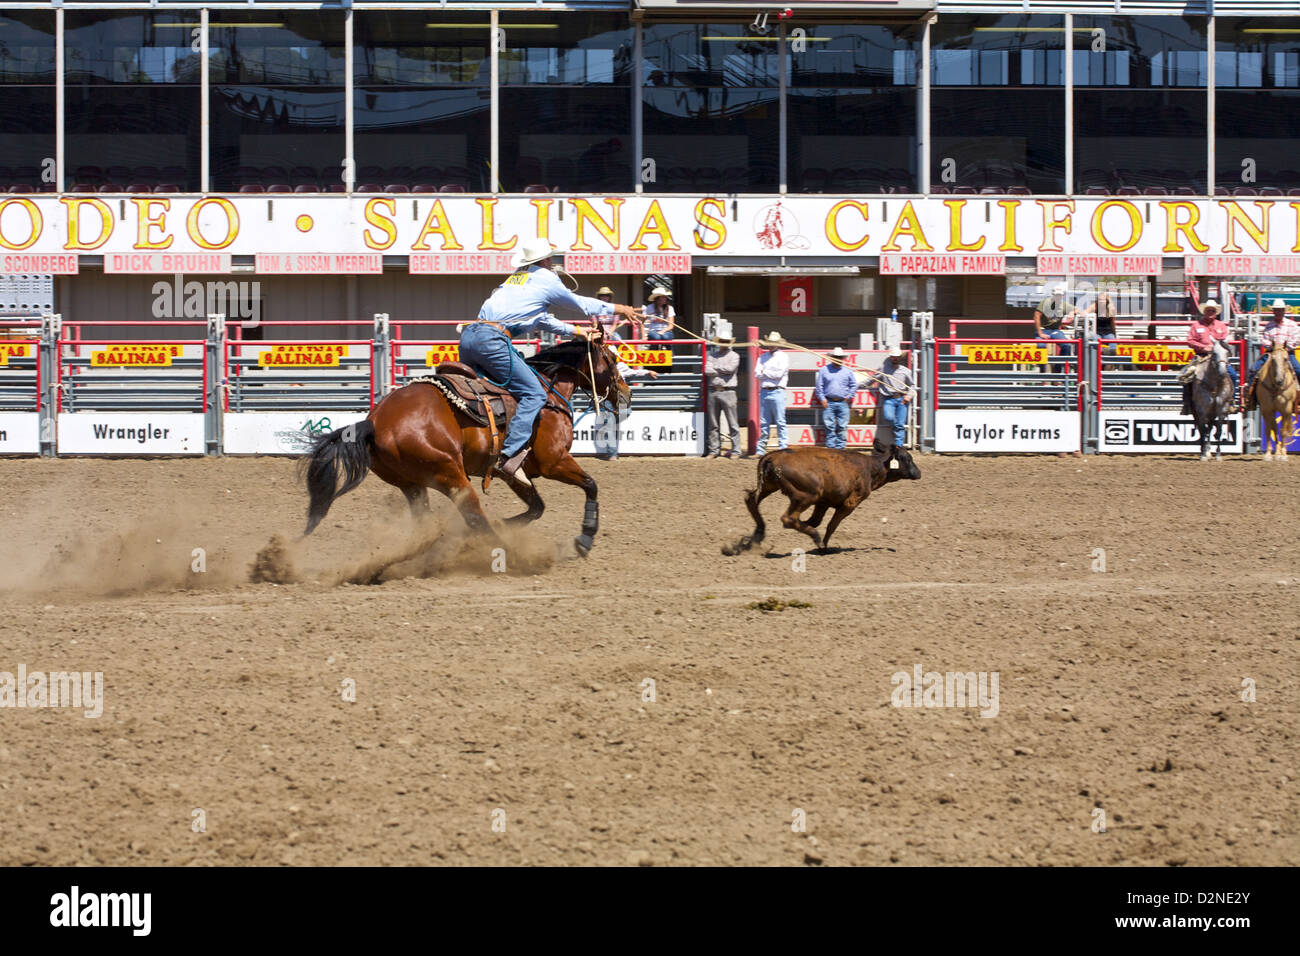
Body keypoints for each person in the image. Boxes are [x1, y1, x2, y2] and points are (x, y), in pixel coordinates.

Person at [461, 237, 642, 480]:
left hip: (469, 338)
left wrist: (578, 331)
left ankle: (477, 441)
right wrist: (619, 309)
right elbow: (581, 304)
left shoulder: (517, 279)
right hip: (491, 342)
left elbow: (543, 320)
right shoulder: (546, 279)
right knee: (534, 394)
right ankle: (507, 455)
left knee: (485, 393)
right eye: (552, 258)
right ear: (547, 260)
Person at [1180, 299, 1239, 415]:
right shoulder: (1196, 326)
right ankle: (1186, 403)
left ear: (1216, 312)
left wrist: (1218, 348)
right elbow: (1190, 341)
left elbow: (1226, 340)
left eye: (1212, 310)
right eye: (1208, 310)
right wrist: (1204, 347)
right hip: (1201, 356)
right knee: (1186, 375)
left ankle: (1232, 401)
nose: (1210, 312)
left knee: (1232, 374)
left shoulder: (1221, 326)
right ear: (1204, 312)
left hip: (1218, 357)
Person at [1244, 299, 1300, 413]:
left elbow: (1296, 339)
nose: (1278, 312)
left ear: (1284, 311)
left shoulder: (1292, 325)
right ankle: (1250, 399)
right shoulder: (1269, 326)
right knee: (1253, 370)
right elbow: (1264, 340)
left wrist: (1285, 348)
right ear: (1273, 311)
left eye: (1280, 310)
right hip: (1271, 353)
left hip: (1287, 353)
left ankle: (1298, 401)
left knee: (1298, 370)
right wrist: (1273, 347)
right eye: (1276, 310)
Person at [812, 346, 859, 450]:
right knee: (829, 426)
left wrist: (849, 396)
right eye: (836, 357)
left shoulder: (848, 371)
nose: (838, 359)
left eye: (840, 357)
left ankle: (840, 448)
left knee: (842, 426)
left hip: (842, 401)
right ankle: (832, 448)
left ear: (842, 358)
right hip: (828, 401)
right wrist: (822, 399)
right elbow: (819, 386)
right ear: (832, 357)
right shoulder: (824, 370)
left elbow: (854, 385)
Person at [705, 334, 741, 458]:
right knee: (713, 423)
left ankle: (736, 450)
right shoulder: (712, 356)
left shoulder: (734, 356)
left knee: (733, 423)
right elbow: (707, 370)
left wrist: (715, 369)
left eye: (726, 341)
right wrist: (722, 371)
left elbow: (730, 369)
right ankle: (714, 450)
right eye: (722, 341)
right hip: (714, 391)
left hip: (728, 391)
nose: (724, 343)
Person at [755, 331, 789, 456]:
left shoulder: (783, 357)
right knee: (764, 422)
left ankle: (783, 447)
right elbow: (757, 373)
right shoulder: (762, 357)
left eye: (773, 343)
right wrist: (769, 373)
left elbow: (778, 374)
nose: (771, 346)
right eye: (770, 343)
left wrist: (765, 372)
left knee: (780, 421)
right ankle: (761, 449)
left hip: (777, 390)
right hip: (766, 391)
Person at [873, 347, 914, 449]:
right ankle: (897, 433)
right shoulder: (883, 369)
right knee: (889, 417)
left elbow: (912, 386)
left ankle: (898, 446)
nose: (895, 359)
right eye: (893, 357)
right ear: (890, 357)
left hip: (902, 399)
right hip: (889, 399)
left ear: (900, 358)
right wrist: (859, 385)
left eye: (897, 357)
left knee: (900, 423)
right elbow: (872, 379)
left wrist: (909, 395)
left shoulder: (906, 371)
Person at [1034, 283, 1074, 359]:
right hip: (1043, 330)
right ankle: (1042, 370)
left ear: (1062, 296)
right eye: (1056, 295)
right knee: (1041, 346)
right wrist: (1040, 333)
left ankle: (1058, 369)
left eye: (1060, 295)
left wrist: (1071, 314)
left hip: (1055, 330)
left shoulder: (1064, 305)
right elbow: (1036, 316)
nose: (1058, 297)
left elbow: (1075, 310)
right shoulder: (1045, 303)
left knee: (1067, 345)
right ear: (1053, 295)